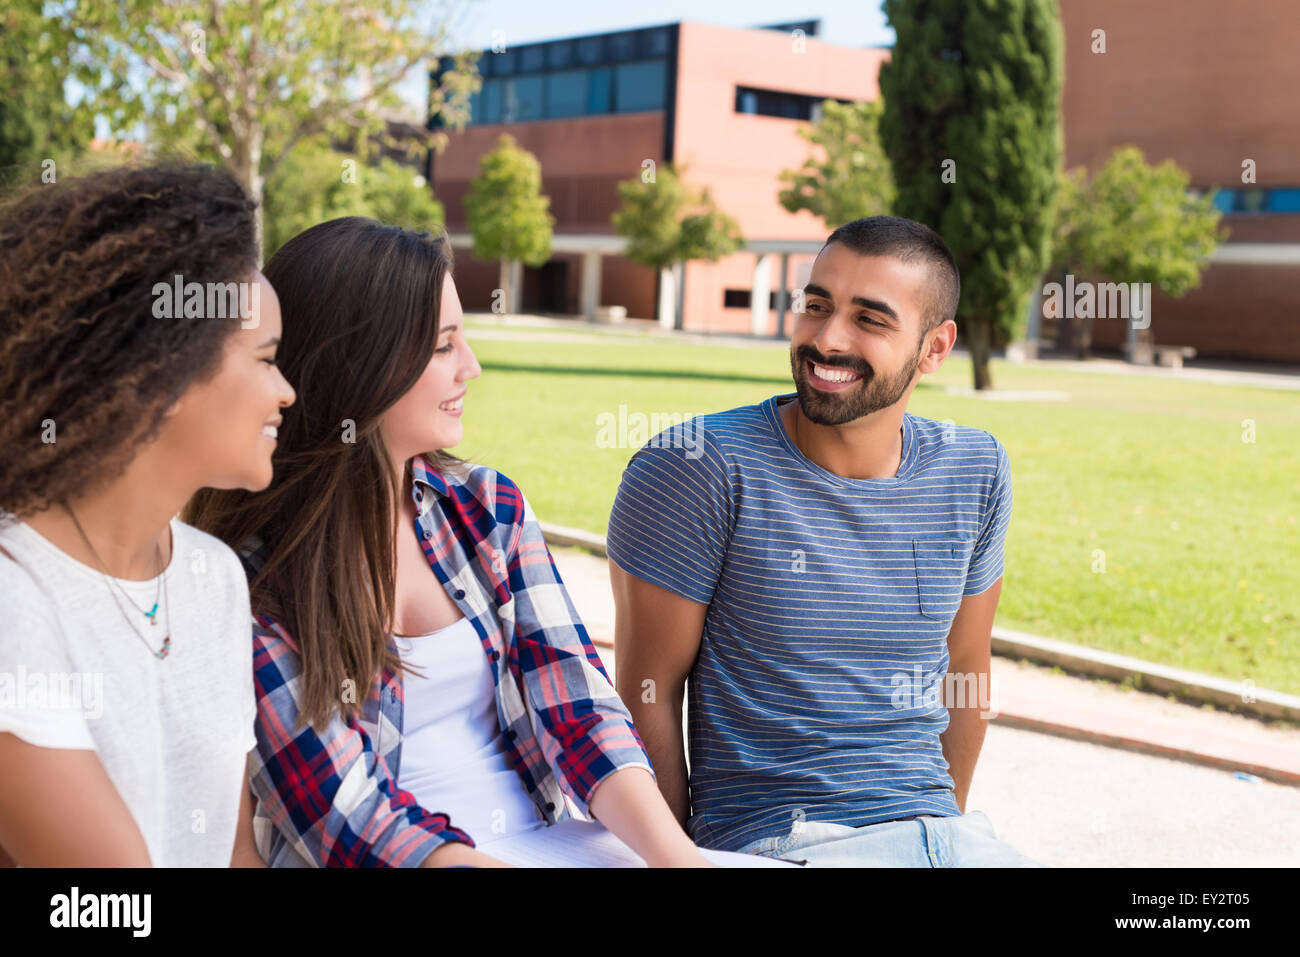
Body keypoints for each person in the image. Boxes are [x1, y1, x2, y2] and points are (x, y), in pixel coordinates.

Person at [186, 217, 712, 867]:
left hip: (553, 843)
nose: (473, 366)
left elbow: (581, 713)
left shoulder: (488, 510)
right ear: (360, 362)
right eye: (443, 346)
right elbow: (348, 816)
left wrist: (679, 859)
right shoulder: (245, 578)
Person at [606, 216, 1041, 867]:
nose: (827, 338)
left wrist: (945, 832)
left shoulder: (974, 467)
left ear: (934, 348)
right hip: (784, 841)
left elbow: (966, 667)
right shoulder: (698, 467)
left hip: (947, 835)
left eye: (870, 319)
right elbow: (648, 693)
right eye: (817, 305)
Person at [0, 162, 295, 866]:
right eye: (267, 358)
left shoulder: (214, 577)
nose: (287, 391)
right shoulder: (17, 596)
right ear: (161, 373)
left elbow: (233, 853)